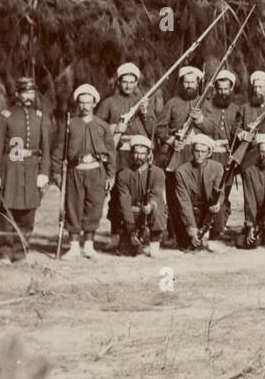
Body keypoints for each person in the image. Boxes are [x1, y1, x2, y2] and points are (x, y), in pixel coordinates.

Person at [0, 77, 54, 263]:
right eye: (25, 92)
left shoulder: (40, 117)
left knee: (28, 212)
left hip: (32, 170)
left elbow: (46, 148)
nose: (29, 96)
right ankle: (4, 253)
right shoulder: (5, 116)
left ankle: (21, 251)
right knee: (7, 211)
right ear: (17, 94)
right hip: (10, 169)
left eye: (31, 93)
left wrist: (44, 173)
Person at [52, 84, 115, 259]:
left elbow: (111, 152)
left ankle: (89, 245)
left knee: (94, 207)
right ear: (77, 104)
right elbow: (59, 150)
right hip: (75, 171)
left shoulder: (102, 126)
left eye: (89, 102)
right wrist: (57, 173)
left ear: (94, 103)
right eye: (82, 102)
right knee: (73, 207)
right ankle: (73, 246)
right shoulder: (70, 125)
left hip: (96, 171)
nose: (85, 106)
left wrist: (110, 175)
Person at [96, 62, 154, 242]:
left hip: (139, 155)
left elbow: (153, 129)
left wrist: (145, 113)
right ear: (119, 82)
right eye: (125, 81)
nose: (128, 85)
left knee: (140, 192)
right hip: (119, 154)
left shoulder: (143, 101)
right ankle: (116, 234)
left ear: (137, 83)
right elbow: (97, 129)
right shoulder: (109, 103)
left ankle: (137, 232)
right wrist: (115, 129)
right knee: (116, 195)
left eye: (132, 82)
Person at [156, 65, 204, 243]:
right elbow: (160, 128)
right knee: (174, 194)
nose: (190, 85)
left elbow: (213, 129)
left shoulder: (205, 103)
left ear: (198, 83)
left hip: (198, 153)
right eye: (186, 81)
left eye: (193, 82)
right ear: (181, 83)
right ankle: (173, 232)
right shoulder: (172, 103)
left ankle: (196, 232)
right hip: (176, 153)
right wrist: (171, 140)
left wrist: (201, 120)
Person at [114, 135, 166, 257]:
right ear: (131, 153)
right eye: (136, 153)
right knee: (126, 252)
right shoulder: (123, 174)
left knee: (159, 209)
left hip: (150, 208)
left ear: (149, 155)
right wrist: (131, 227)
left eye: (143, 154)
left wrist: (151, 206)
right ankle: (131, 236)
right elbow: (124, 201)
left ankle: (154, 244)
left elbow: (157, 194)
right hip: (132, 211)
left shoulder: (158, 173)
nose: (139, 157)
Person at [173, 133, 225, 252]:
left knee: (221, 206)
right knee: (186, 245)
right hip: (191, 211)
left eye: (203, 151)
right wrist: (191, 227)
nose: (199, 155)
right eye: (197, 151)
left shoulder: (217, 167)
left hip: (209, 209)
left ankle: (214, 238)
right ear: (192, 151)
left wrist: (218, 204)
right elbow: (184, 201)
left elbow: (220, 192)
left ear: (209, 153)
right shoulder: (181, 171)